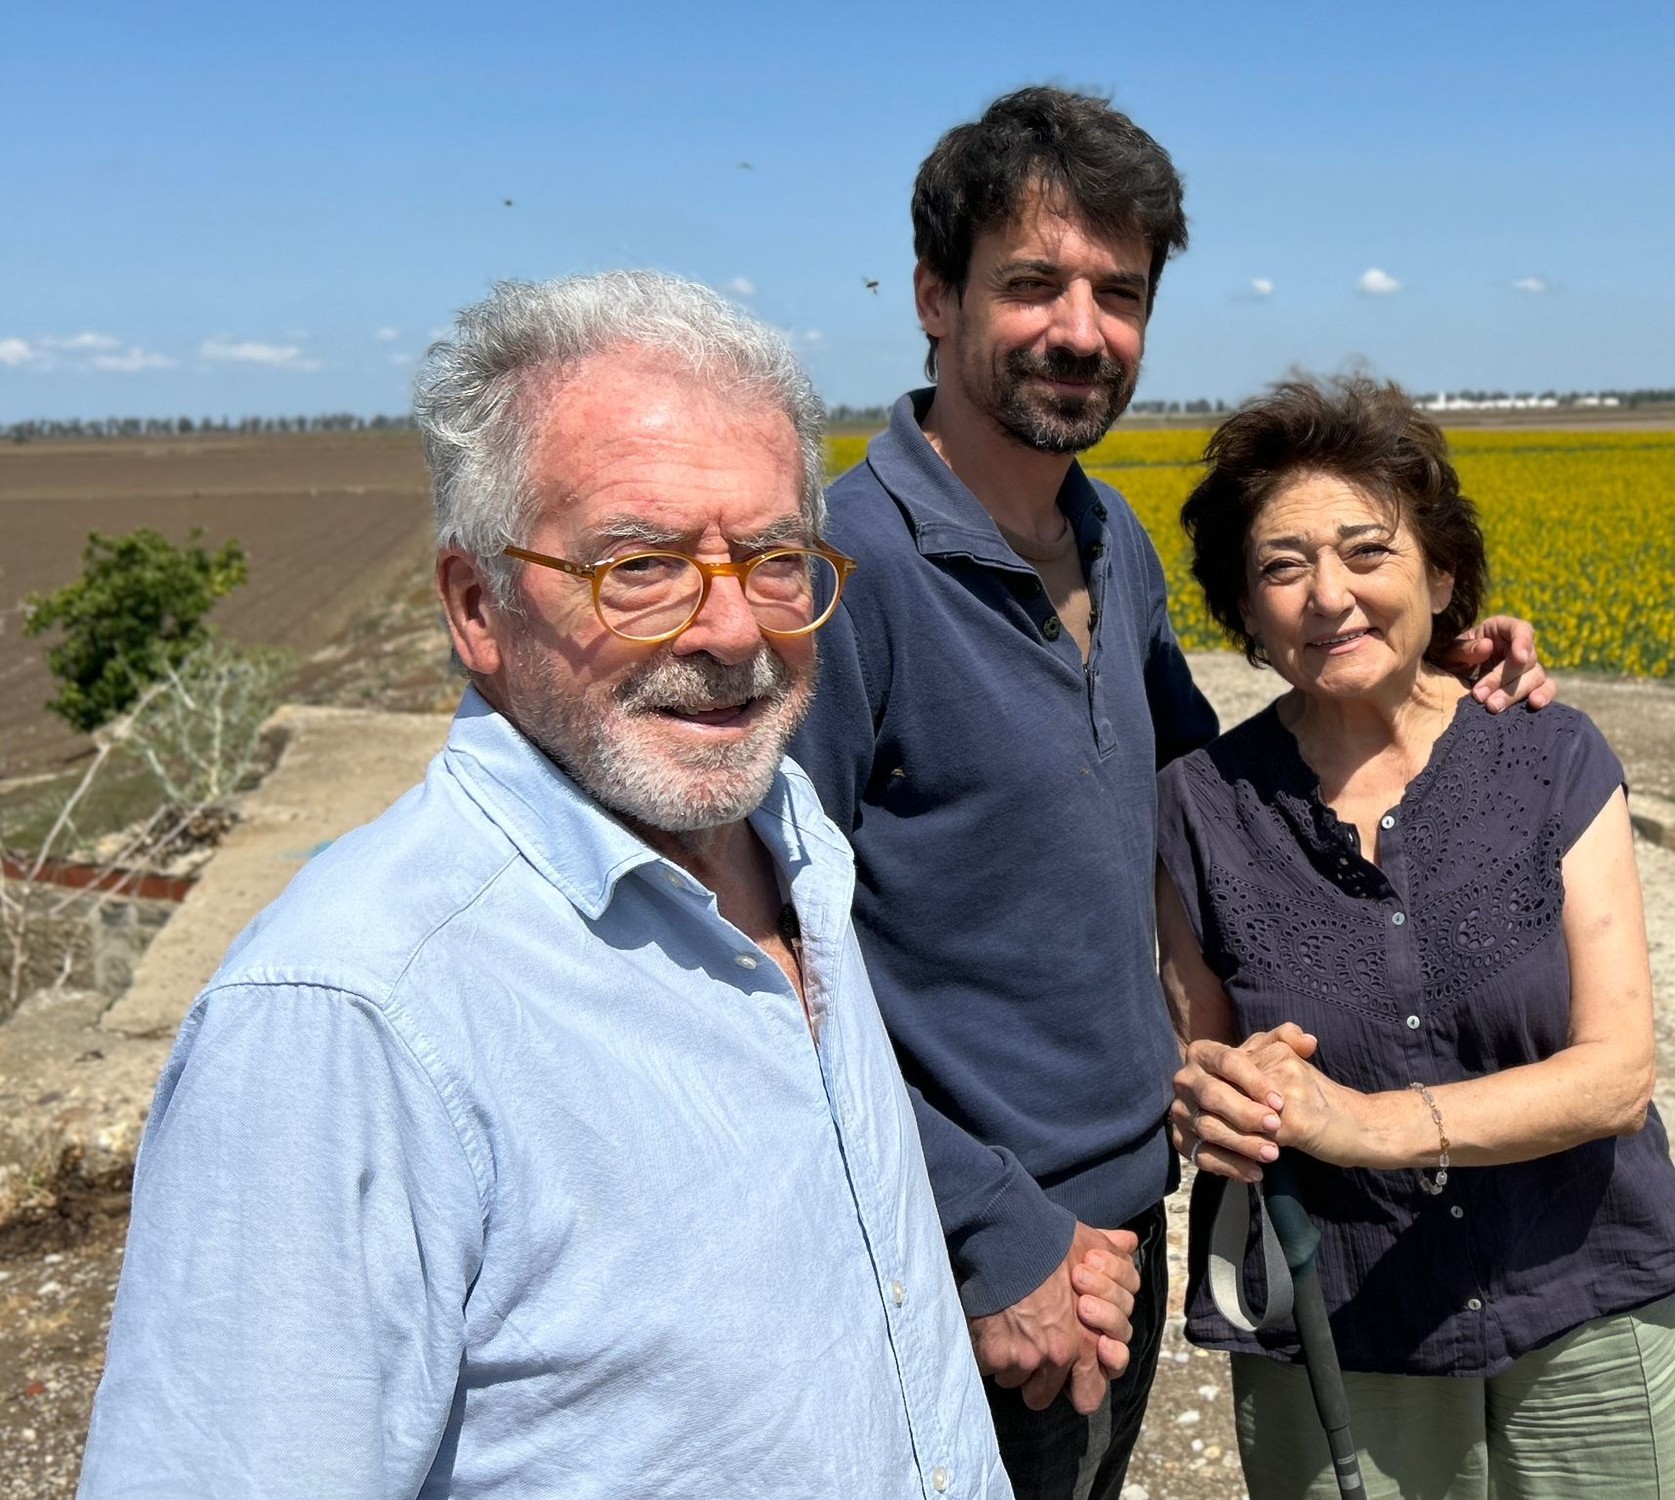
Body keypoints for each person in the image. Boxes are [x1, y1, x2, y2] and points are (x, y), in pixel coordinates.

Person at [76, 271, 1025, 1498]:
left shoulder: (798, 842)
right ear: (479, 606)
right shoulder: (351, 1019)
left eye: (775, 559)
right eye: (639, 566)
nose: (733, 631)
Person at [789, 86, 1555, 1499]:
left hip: (1120, 1218)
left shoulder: (1108, 537)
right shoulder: (848, 574)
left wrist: (1417, 665)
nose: (1082, 330)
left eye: (1119, 292)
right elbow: (763, 959)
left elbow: (1219, 790)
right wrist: (987, 1234)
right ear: (932, 297)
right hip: (952, 1257)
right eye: (1033, 283)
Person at [1156, 377, 1675, 1499]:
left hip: (1584, 1298)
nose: (1327, 595)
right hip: (1341, 1324)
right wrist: (1208, 1101)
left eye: (1367, 551)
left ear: (1440, 578)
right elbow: (1197, 1067)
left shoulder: (1550, 759)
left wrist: (1360, 1125)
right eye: (1280, 566)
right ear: (1244, 612)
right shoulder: (1197, 809)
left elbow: (1617, 1077)